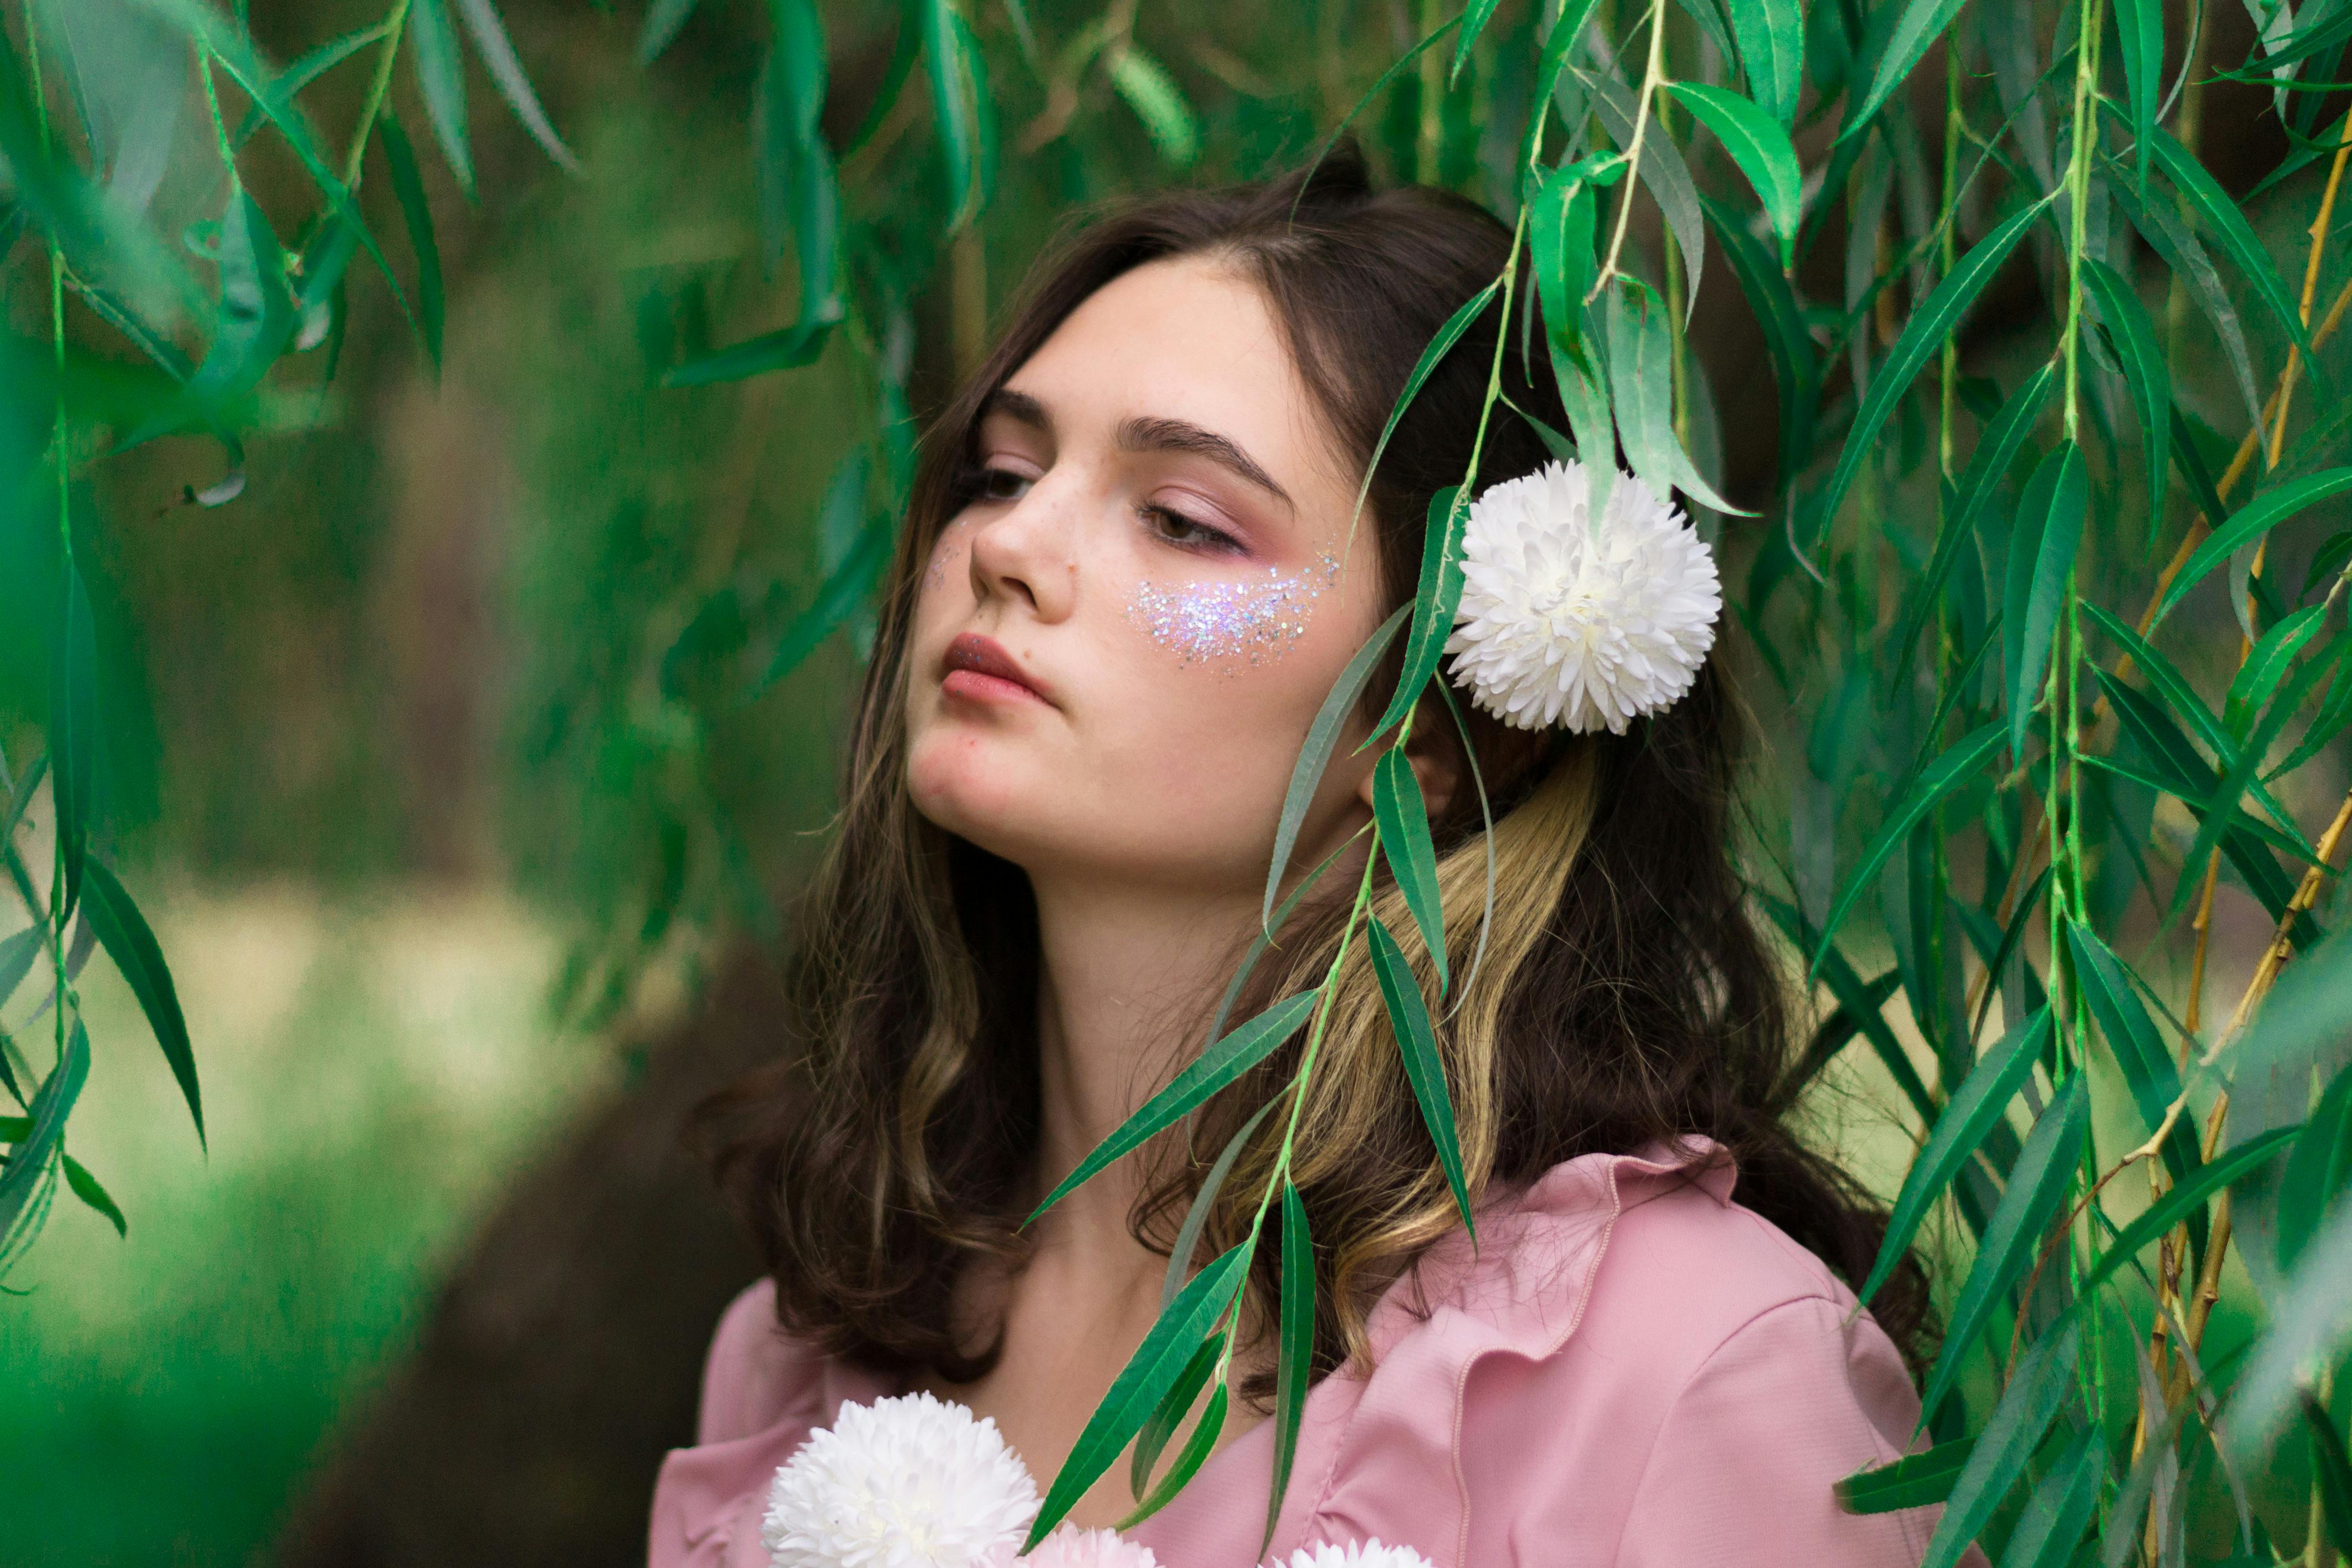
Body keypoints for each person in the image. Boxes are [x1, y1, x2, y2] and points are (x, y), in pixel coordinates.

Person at [645, 138, 1954, 1567]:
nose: (1012, 543)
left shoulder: (1686, 1367)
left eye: (1187, 521)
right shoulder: (800, 1358)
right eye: (1001, 469)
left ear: (1458, 732)